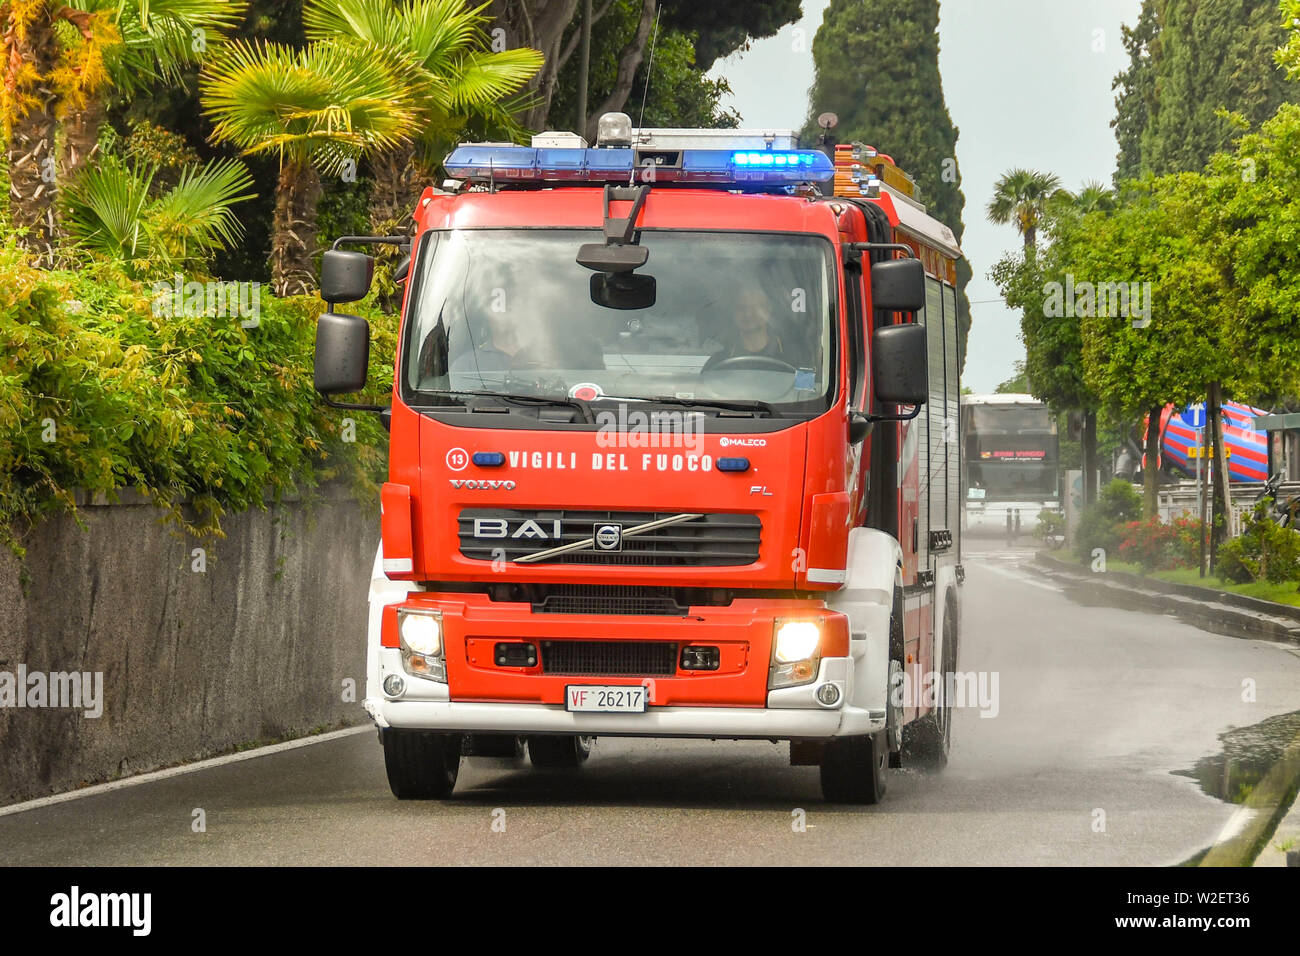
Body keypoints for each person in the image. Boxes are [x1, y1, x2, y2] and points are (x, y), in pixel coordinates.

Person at [702, 288, 797, 371]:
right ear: (734, 313)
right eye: (741, 308)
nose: (747, 314)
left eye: (754, 308)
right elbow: (703, 389)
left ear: (768, 310)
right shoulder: (717, 363)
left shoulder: (795, 358)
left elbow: (806, 390)